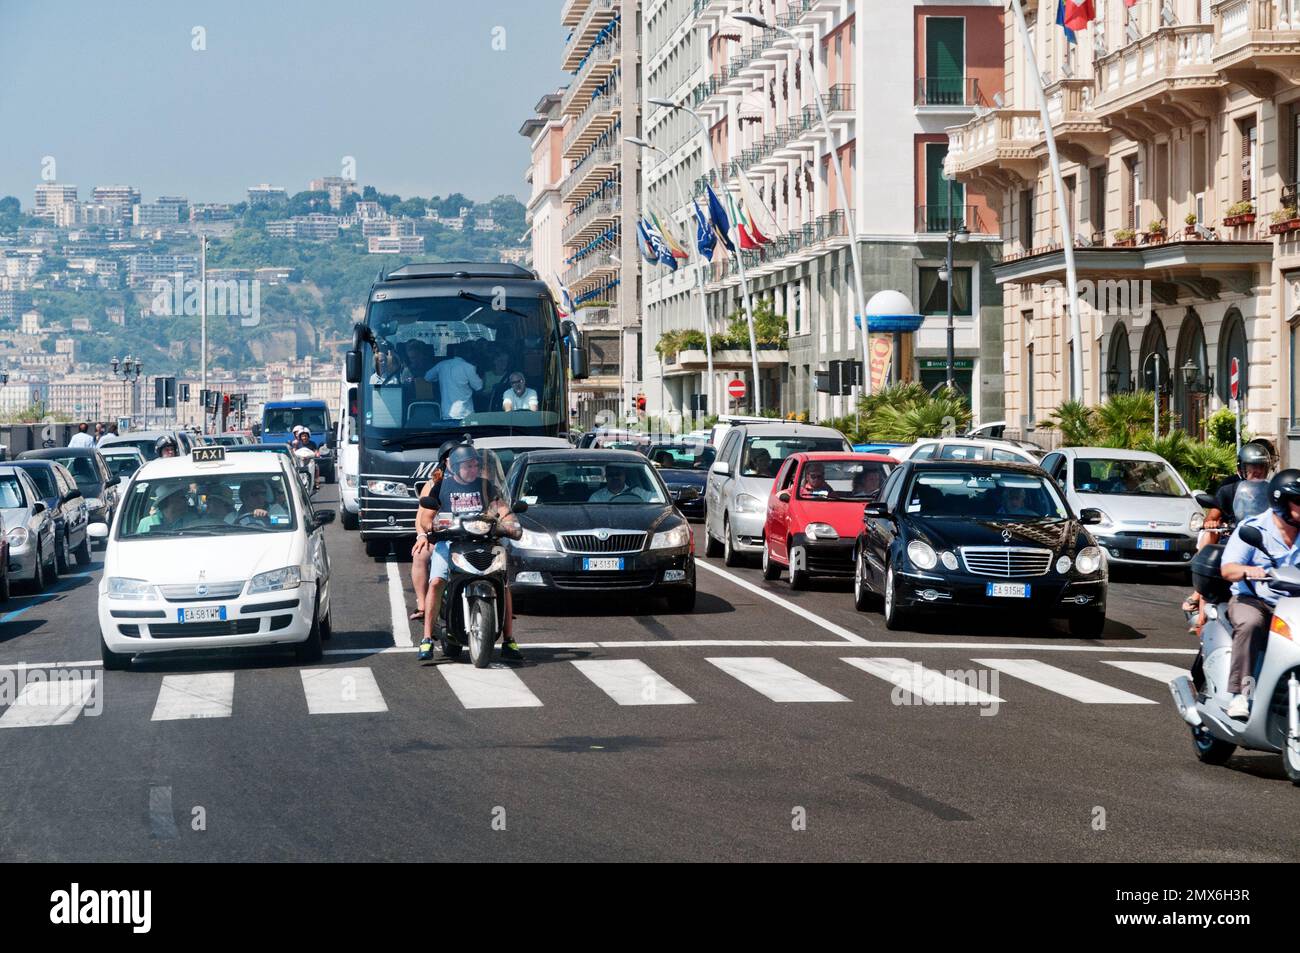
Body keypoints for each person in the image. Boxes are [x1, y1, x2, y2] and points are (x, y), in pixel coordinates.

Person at [414, 445, 523, 662]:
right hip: (450, 542)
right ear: (454, 468)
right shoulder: (441, 486)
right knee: (436, 581)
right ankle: (426, 638)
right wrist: (434, 527)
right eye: (467, 466)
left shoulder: (485, 486)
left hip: (483, 541)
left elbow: (501, 508)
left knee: (504, 583)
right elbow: (426, 516)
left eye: (475, 465)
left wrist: (510, 522)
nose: (473, 469)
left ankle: (509, 639)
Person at [1219, 469, 1300, 718]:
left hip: (1293, 603)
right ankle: (1241, 694)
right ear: (1281, 501)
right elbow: (1228, 569)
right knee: (1251, 624)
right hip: (1254, 599)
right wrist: (1247, 570)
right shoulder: (1253, 528)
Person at [425, 344, 482, 419]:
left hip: (447, 413)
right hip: (466, 414)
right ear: (469, 354)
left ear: (455, 353)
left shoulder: (442, 365)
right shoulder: (468, 367)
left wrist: (439, 377)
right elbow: (479, 387)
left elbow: (427, 377)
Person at [588, 464, 653, 502]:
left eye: (618, 474)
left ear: (624, 475)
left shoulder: (638, 493)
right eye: (611, 474)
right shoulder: (597, 497)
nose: (615, 477)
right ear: (606, 477)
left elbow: (657, 499)